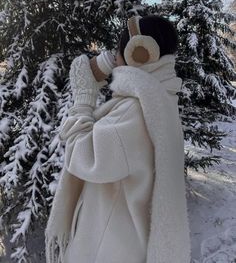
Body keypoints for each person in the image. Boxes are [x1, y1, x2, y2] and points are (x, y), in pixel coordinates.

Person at [45, 15, 191, 263]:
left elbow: (82, 156)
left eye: (119, 51)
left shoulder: (135, 111)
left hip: (107, 248)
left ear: (140, 52)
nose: (115, 59)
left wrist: (83, 98)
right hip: (129, 243)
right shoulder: (159, 100)